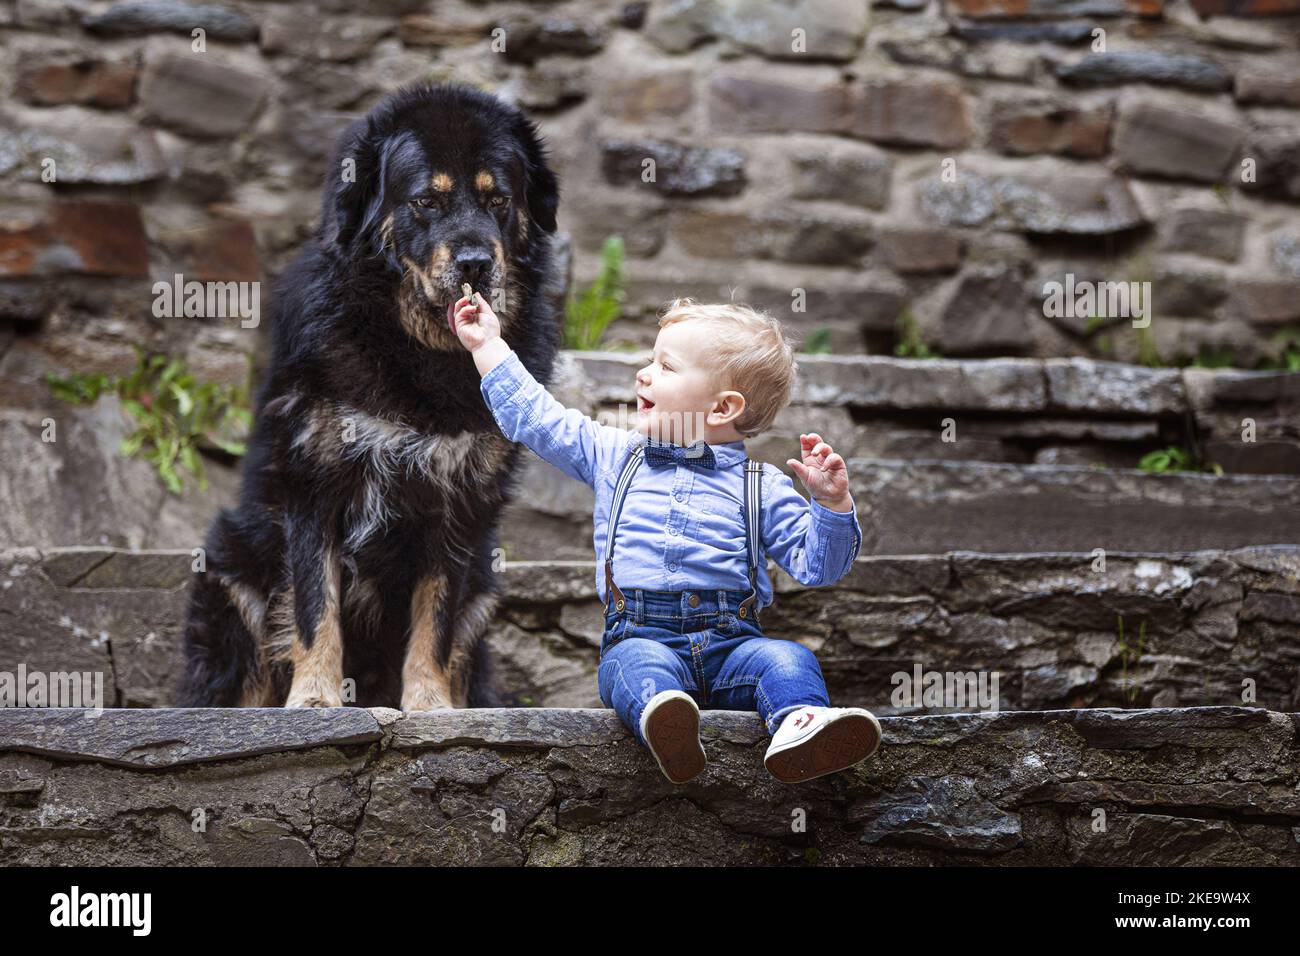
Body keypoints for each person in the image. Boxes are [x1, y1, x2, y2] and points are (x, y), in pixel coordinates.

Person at [451, 290, 881, 784]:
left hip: (733, 648)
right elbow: (538, 419)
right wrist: (488, 345)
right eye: (650, 361)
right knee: (631, 666)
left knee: (788, 658)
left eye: (666, 367)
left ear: (722, 407)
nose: (644, 374)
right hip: (642, 636)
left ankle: (800, 725)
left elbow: (818, 565)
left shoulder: (762, 487)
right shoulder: (615, 455)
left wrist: (831, 507)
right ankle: (665, 719)